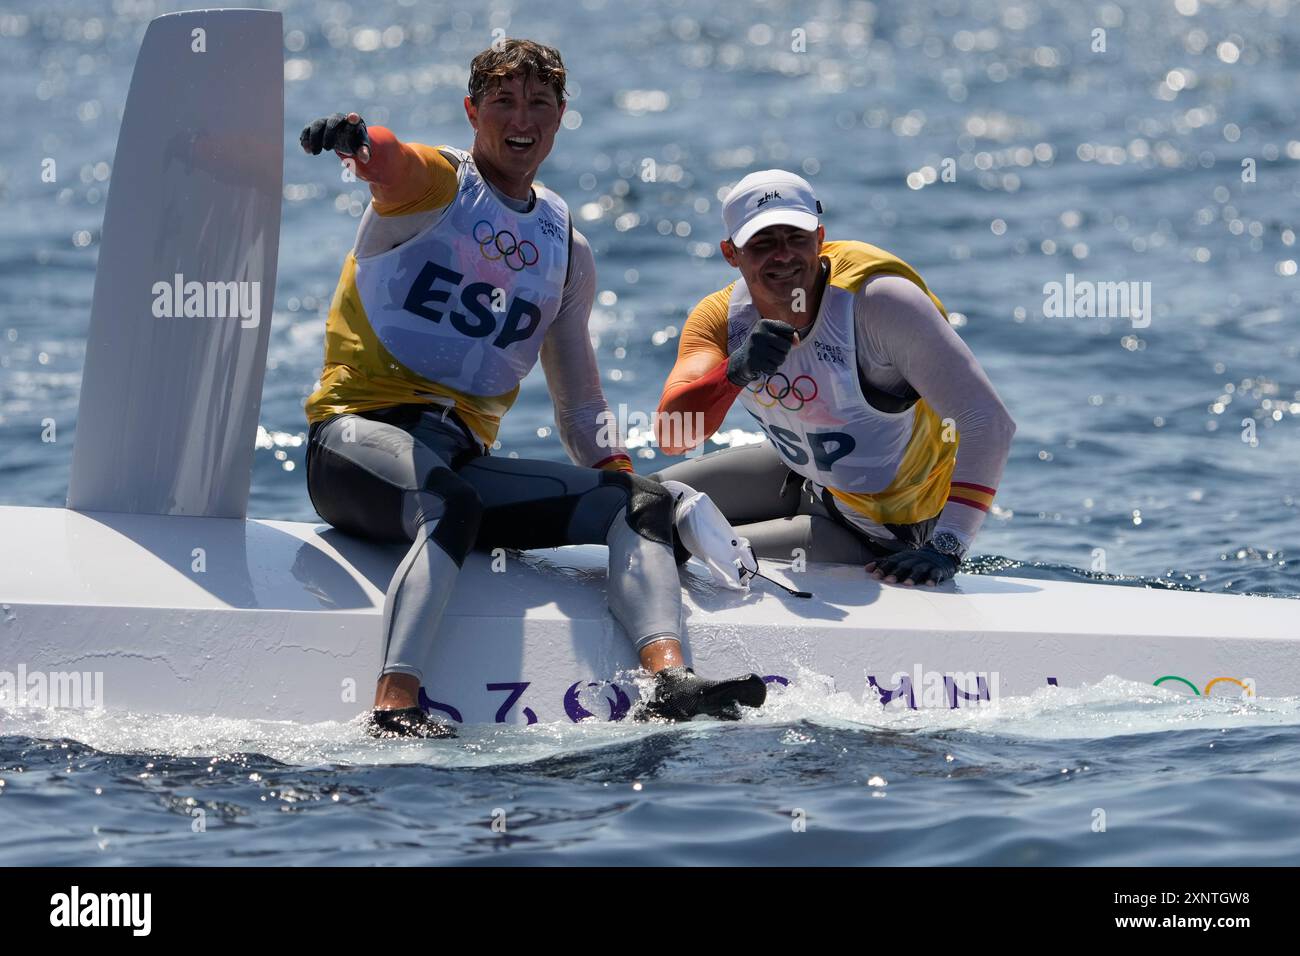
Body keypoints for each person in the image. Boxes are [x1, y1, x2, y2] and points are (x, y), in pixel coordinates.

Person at [300, 40, 765, 737]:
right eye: (504, 102)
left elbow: (579, 405)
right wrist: (358, 140)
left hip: (459, 456)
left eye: (539, 104)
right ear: (472, 111)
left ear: (559, 117)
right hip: (354, 446)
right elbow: (387, 159)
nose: (523, 118)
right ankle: (395, 707)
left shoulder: (564, 245)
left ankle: (667, 680)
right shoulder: (434, 184)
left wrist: (628, 485)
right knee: (447, 502)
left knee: (640, 503)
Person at [653, 170, 1015, 586]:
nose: (783, 256)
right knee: (641, 505)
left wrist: (947, 549)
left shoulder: (880, 303)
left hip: (876, 531)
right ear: (730, 254)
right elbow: (672, 436)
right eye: (763, 243)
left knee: (679, 541)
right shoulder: (720, 317)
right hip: (803, 476)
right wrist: (734, 372)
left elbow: (989, 421)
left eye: (797, 238)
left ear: (820, 238)